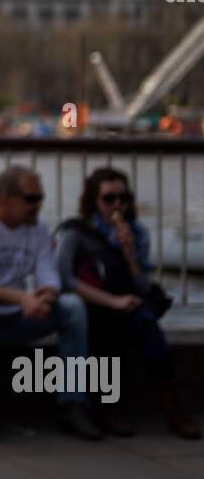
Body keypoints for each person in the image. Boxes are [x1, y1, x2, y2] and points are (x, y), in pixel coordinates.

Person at [0, 165, 101, 445]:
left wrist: (45, 297)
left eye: (40, 198)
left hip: (16, 315)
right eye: (31, 198)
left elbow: (48, 274)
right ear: (5, 198)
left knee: (72, 306)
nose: (38, 205)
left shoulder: (37, 228)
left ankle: (72, 403)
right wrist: (21, 297)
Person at [54, 168, 201, 440]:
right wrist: (111, 301)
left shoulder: (136, 232)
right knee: (108, 327)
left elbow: (142, 285)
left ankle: (174, 410)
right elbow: (63, 277)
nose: (117, 205)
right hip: (93, 301)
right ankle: (109, 408)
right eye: (109, 199)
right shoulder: (76, 232)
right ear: (94, 202)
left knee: (147, 325)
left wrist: (130, 254)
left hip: (126, 298)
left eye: (122, 198)